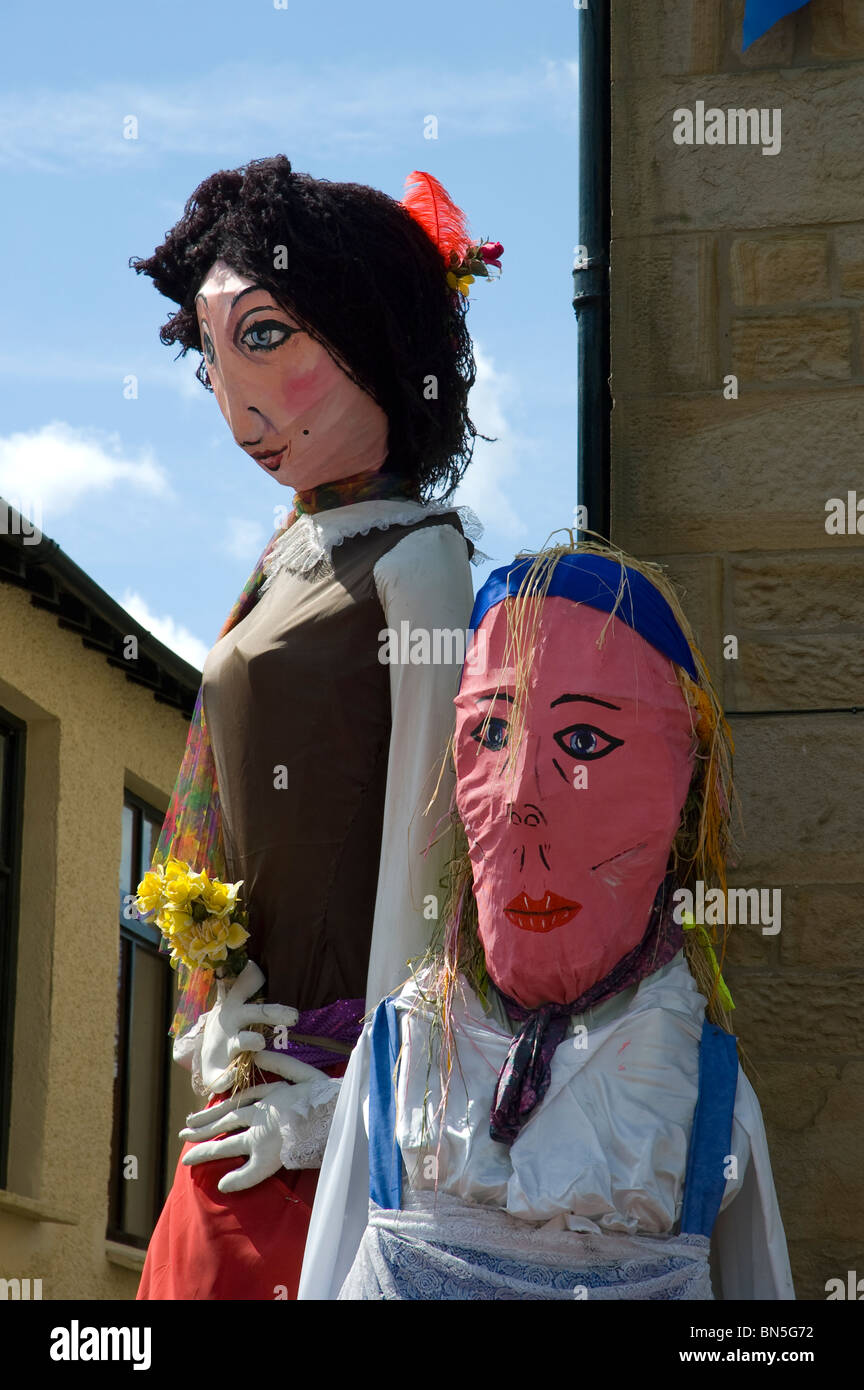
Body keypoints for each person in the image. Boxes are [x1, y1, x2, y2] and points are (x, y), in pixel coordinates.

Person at [130, 156, 500, 1300]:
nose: (236, 403)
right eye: (213, 352)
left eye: (268, 336)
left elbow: (432, 868)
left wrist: (364, 1113)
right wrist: (215, 1001)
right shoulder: (288, 561)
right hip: (247, 1117)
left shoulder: (420, 561)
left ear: (373, 333)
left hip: (329, 1149)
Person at [298, 539, 796, 1301]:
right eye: (491, 735)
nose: (518, 798)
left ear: (683, 786)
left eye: (585, 742)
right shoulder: (399, 1061)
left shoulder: (704, 1104)